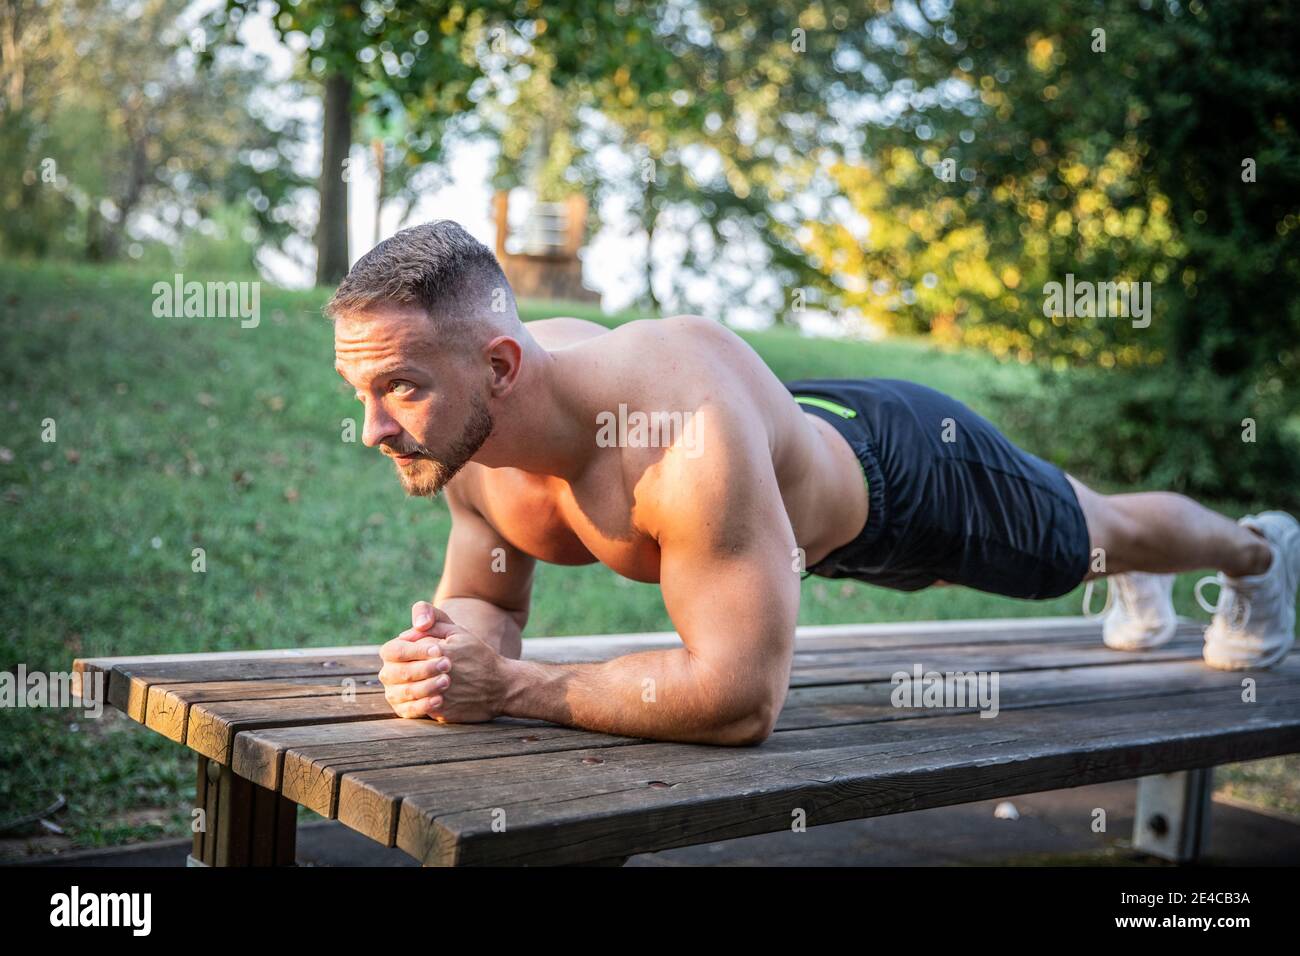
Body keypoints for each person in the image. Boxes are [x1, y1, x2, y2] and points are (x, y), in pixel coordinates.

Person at [329, 220, 1299, 745]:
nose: (372, 427)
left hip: (914, 480)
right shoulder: (467, 446)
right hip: (791, 446)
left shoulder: (678, 434)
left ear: (499, 366)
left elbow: (740, 699)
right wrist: (444, 651)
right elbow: (481, 601)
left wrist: (513, 686)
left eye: (398, 387)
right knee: (1094, 521)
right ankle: (1137, 554)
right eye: (360, 390)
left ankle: (1256, 548)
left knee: (1093, 531)